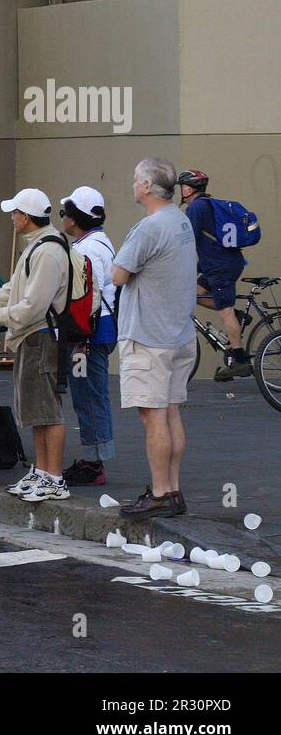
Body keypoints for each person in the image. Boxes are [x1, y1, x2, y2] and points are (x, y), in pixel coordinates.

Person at [0, 189, 72, 503]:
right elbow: (12, 291)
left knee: (47, 410)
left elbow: (33, 305)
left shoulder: (46, 251)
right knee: (36, 410)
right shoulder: (39, 246)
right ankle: (43, 472)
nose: (11, 219)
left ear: (26, 216)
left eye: (14, 213)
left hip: (42, 335)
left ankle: (54, 477)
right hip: (34, 335)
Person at [113, 158, 198, 519]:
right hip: (179, 332)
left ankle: (161, 492)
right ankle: (173, 489)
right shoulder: (181, 220)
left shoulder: (148, 228)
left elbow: (118, 276)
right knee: (172, 411)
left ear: (147, 186)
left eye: (136, 180)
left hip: (149, 336)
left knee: (154, 417)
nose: (133, 185)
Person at [59, 187, 118, 487]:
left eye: (65, 212)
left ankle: (95, 463)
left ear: (76, 217)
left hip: (89, 334)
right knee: (90, 393)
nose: (63, 218)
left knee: (89, 394)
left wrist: (80, 333)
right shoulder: (100, 242)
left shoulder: (87, 249)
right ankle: (94, 457)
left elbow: (88, 293)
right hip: (99, 330)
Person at [178, 170, 252, 380]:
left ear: (188, 188)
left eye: (182, 186)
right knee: (193, 293)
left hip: (220, 267)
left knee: (224, 311)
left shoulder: (196, 208)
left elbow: (186, 241)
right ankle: (237, 317)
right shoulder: (207, 204)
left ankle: (240, 360)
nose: (181, 190)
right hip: (217, 264)